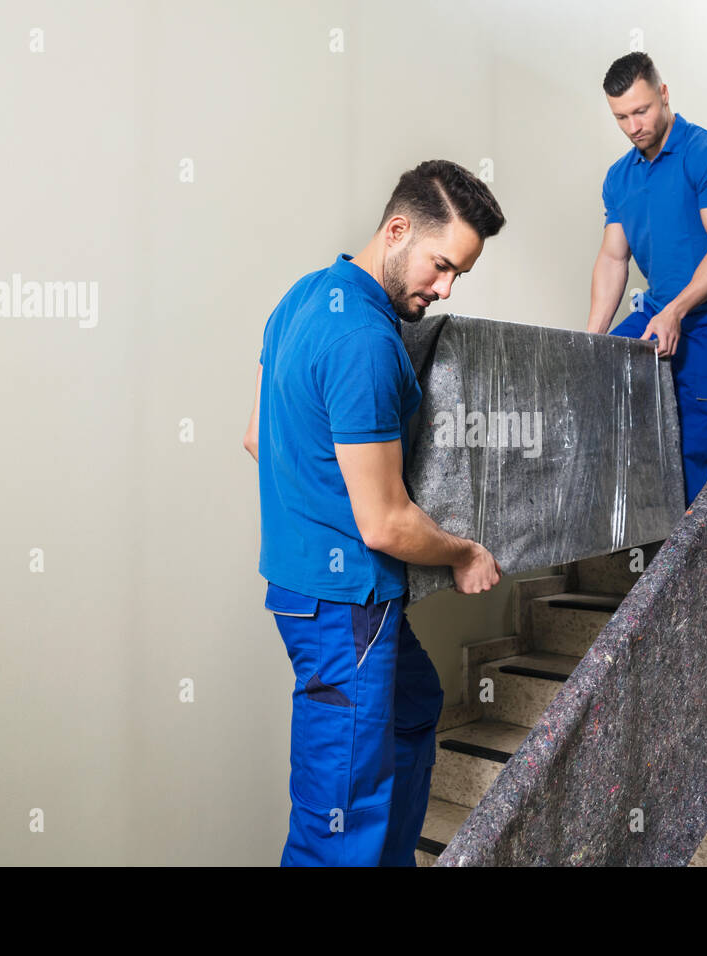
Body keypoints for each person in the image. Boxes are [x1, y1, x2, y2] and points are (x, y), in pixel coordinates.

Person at [242, 159, 506, 866]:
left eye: (459, 277)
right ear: (397, 230)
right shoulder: (364, 339)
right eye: (441, 265)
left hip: (306, 593)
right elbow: (385, 523)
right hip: (345, 610)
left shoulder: (303, 296)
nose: (444, 289)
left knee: (415, 708)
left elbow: (254, 437)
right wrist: (463, 553)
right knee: (338, 819)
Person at [587, 52, 707, 506]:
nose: (633, 125)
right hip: (659, 310)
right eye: (621, 117)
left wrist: (677, 310)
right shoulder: (618, 178)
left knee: (691, 445)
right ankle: (648, 545)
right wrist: (591, 338)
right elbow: (613, 258)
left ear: (663, 94)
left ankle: (699, 565)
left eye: (641, 110)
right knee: (599, 380)